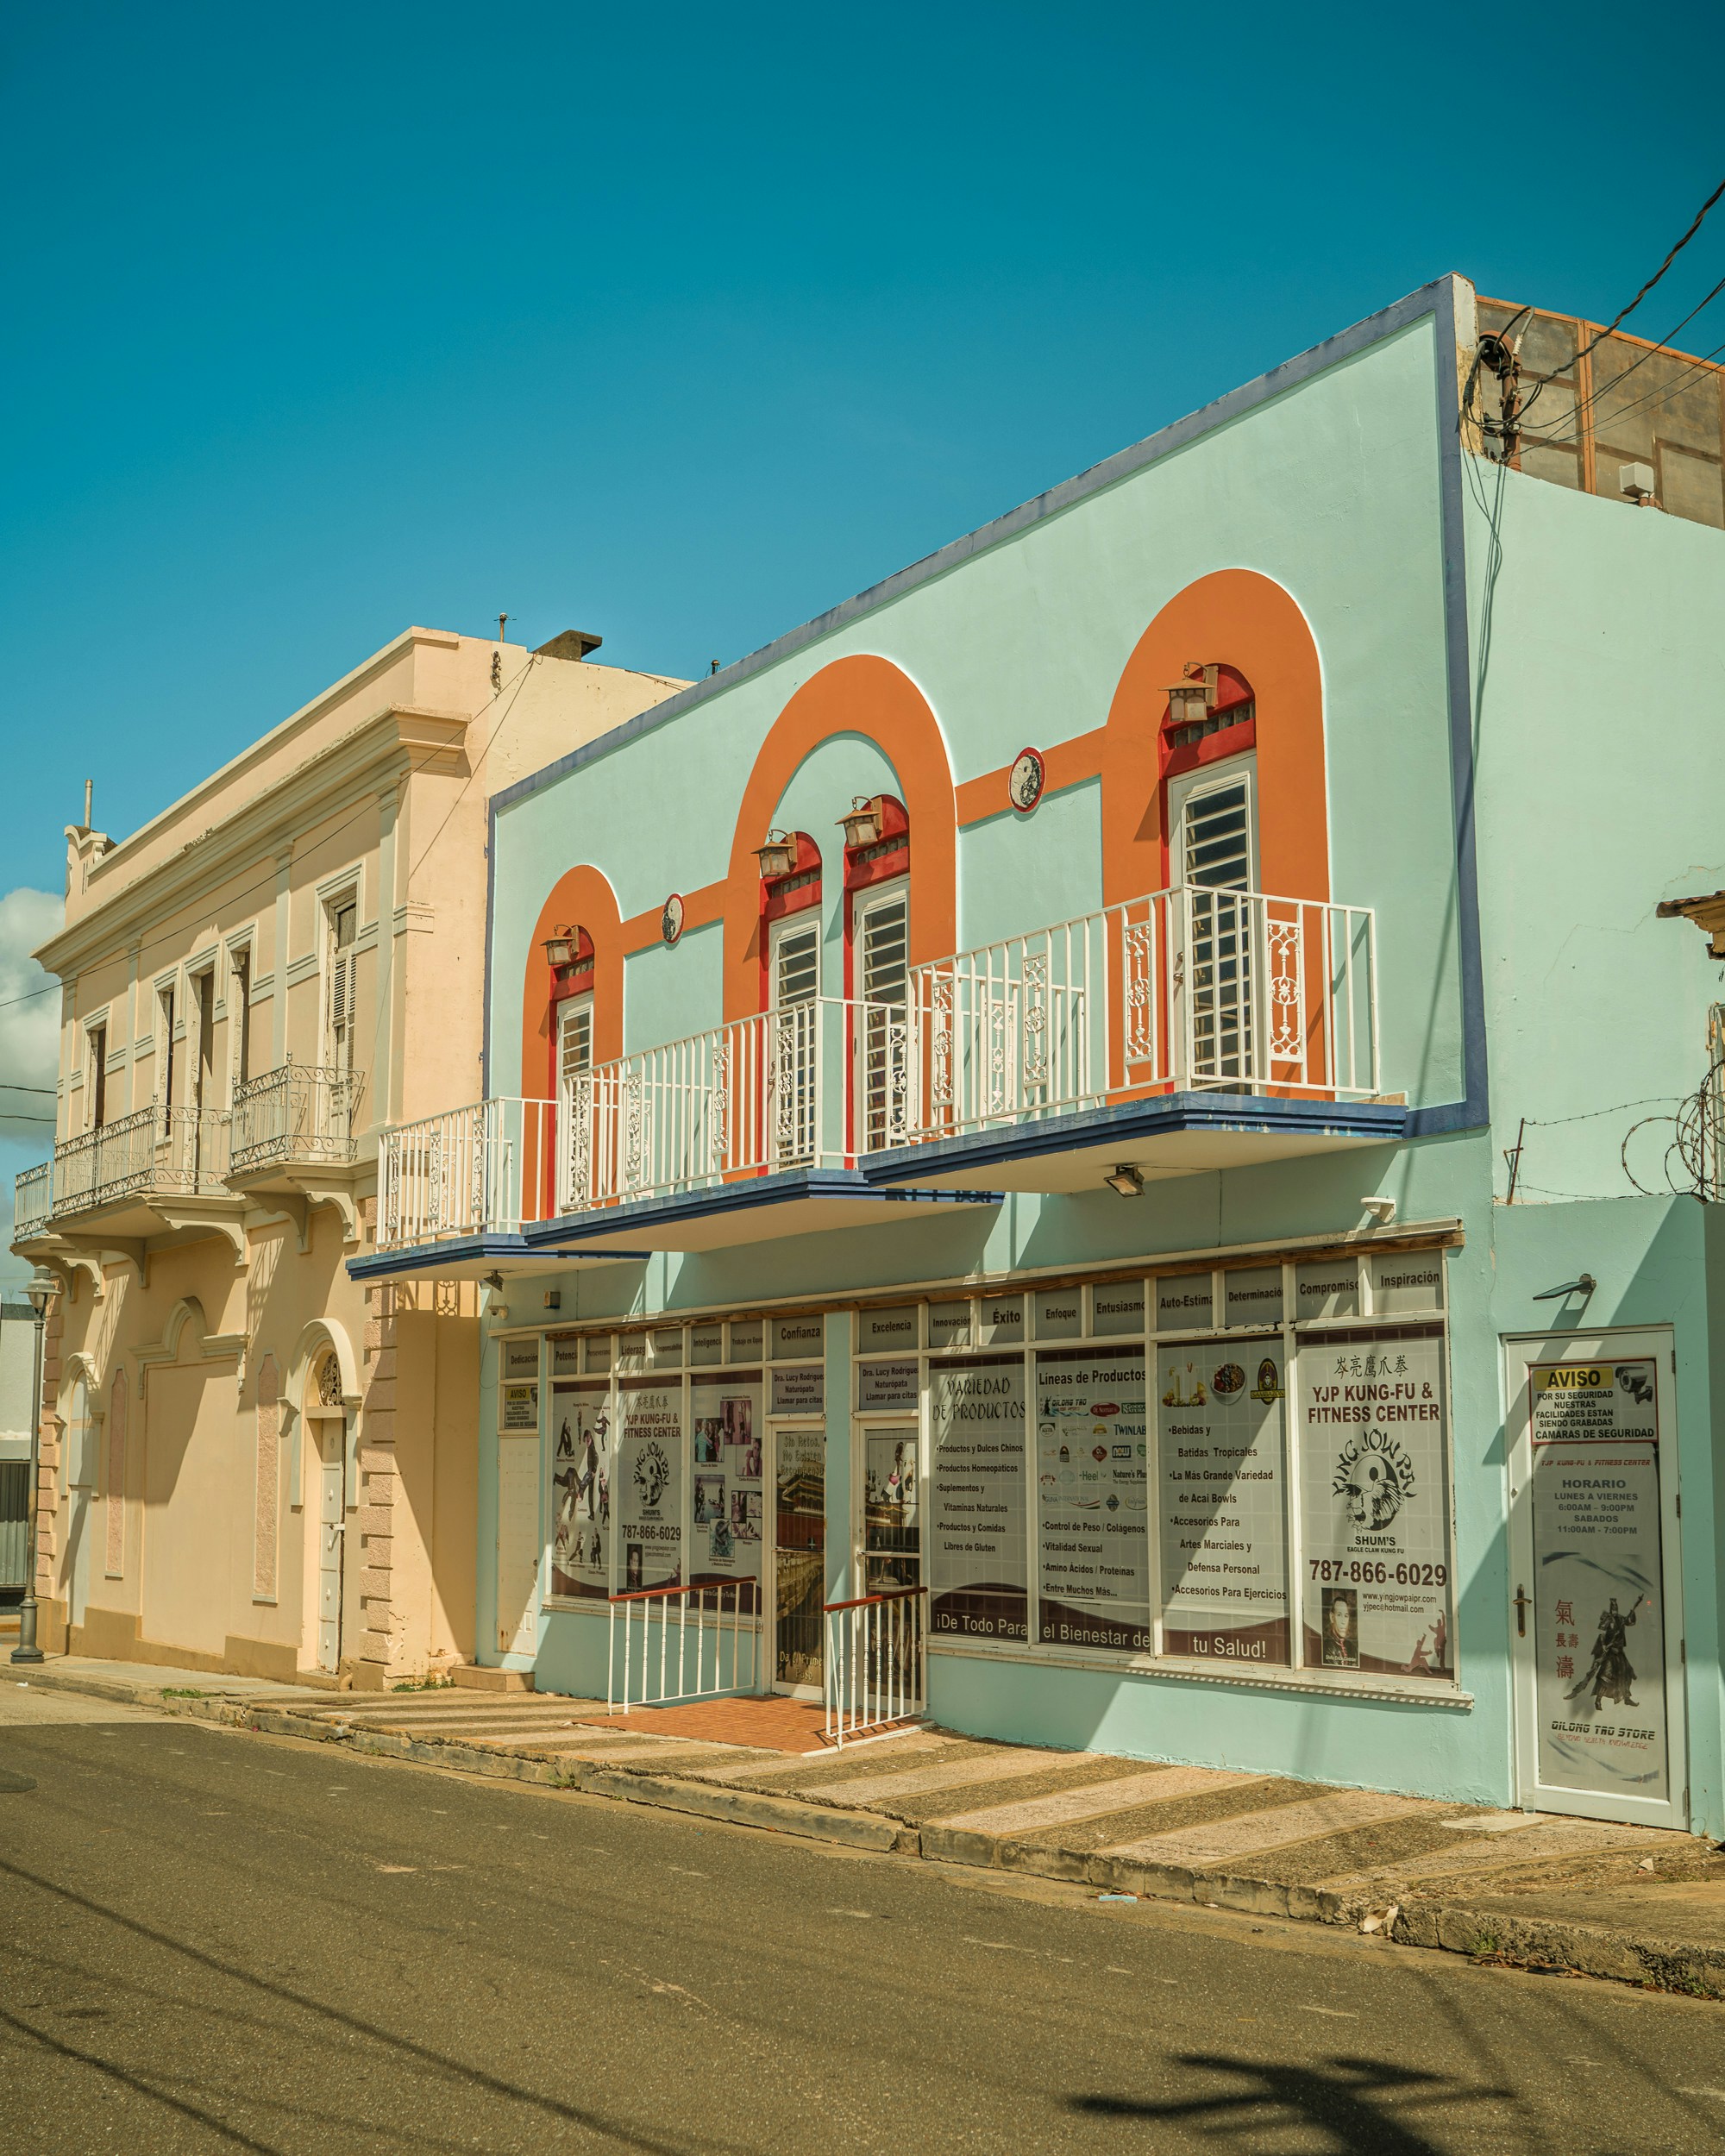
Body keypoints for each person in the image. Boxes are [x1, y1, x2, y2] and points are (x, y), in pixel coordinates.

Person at [1568, 1595, 1641, 1709]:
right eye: (1613, 1607)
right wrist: (1604, 1645)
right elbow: (1601, 1632)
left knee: (1627, 1674)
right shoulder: (1608, 1619)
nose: (1615, 1609)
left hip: (1620, 1652)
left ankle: (1627, 1698)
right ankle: (1598, 1701)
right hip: (1610, 1652)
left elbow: (1631, 1622)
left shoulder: (1622, 1619)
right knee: (1604, 1676)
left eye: (1616, 1606)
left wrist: (1633, 1611)